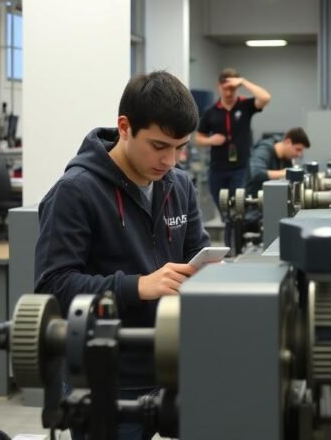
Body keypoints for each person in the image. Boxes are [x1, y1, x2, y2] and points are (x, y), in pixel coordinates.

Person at [34, 70, 211, 440]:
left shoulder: (178, 185)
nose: (171, 161)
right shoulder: (75, 192)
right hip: (108, 379)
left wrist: (213, 273)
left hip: (174, 365)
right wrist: (138, 286)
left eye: (180, 147)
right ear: (125, 126)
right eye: (159, 146)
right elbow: (54, 287)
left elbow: (197, 252)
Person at [195, 68, 271, 246]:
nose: (229, 92)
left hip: (240, 168)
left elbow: (265, 98)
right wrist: (211, 140)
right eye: (226, 88)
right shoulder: (211, 111)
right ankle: (234, 244)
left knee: (236, 209)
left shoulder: (245, 106)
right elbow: (198, 138)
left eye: (233, 88)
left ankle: (233, 248)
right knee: (225, 212)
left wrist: (243, 81)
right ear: (219, 87)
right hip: (217, 169)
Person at [243, 127, 311, 234]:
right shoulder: (263, 150)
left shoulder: (286, 159)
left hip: (272, 207)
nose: (299, 154)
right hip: (253, 209)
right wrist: (286, 172)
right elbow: (257, 173)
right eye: (298, 149)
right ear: (288, 142)